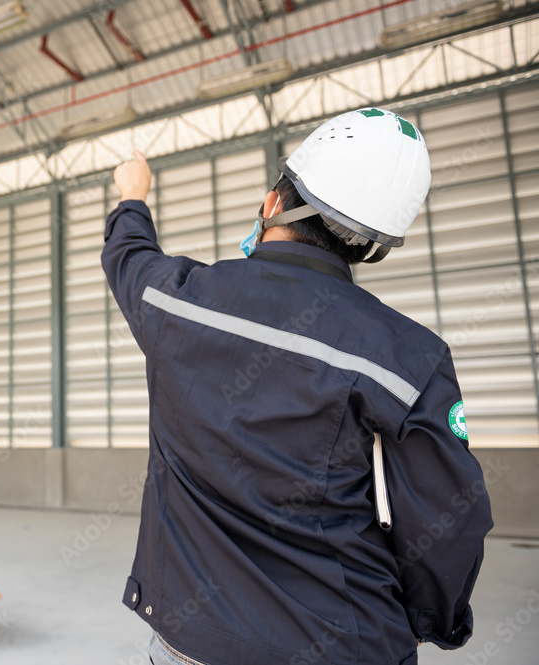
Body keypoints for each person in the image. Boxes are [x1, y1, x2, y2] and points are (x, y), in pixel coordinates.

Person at [102, 108, 493, 665]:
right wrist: (434, 622)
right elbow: (449, 520)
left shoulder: (175, 300)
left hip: (189, 641)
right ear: (370, 245)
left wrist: (133, 197)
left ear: (274, 203)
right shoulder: (407, 358)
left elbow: (127, 256)